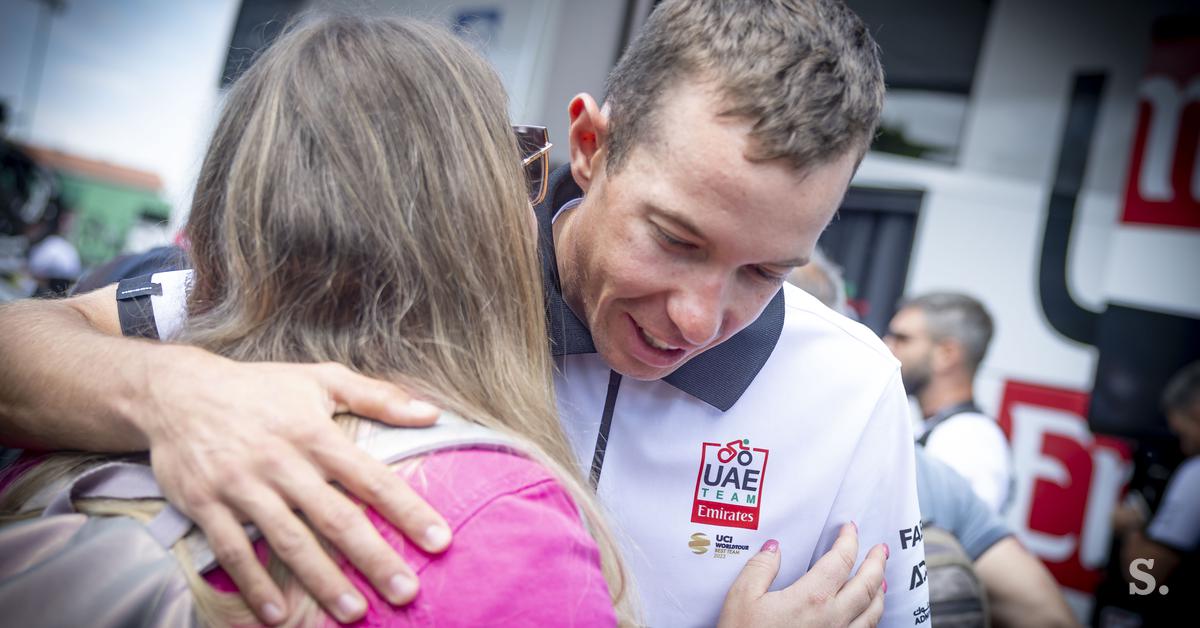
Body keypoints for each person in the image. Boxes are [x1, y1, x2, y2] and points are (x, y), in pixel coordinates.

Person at [0, 1, 910, 625]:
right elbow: (22, 341)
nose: (701, 317)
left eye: (765, 272)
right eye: (675, 239)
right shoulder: (421, 281)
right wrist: (177, 395)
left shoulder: (854, 390)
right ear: (590, 146)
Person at [1, 16, 631, 625]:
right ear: (471, 226)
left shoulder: (64, 439)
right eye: (518, 167)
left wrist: (164, 387)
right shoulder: (505, 535)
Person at [885, 292, 1013, 513]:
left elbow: (952, 542)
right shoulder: (939, 428)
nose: (886, 346)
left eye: (902, 339)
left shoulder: (970, 440)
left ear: (946, 354)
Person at [1111, 360, 1200, 625]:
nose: (1184, 448)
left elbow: (1146, 578)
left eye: (1184, 434)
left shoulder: (1196, 474)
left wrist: (1131, 527)